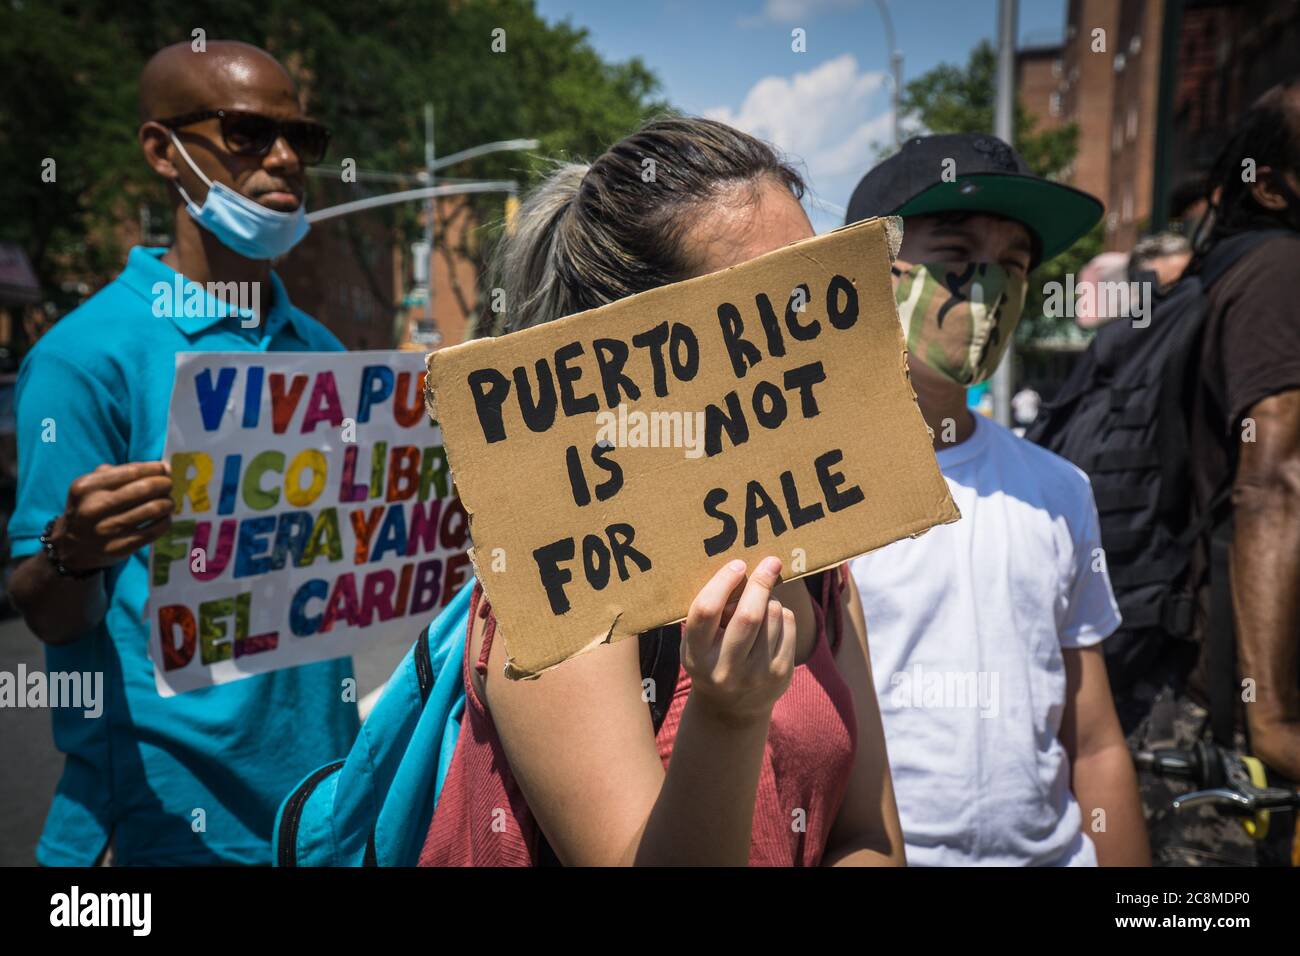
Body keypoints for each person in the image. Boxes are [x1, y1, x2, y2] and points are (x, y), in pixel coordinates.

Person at [421, 116, 904, 867]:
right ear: (633, 346)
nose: (812, 324)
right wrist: (728, 714)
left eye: (815, 282)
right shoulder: (563, 583)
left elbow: (869, 835)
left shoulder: (824, 556)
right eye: (768, 302)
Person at [6, 41, 358, 865]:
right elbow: (46, 609)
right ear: (163, 152)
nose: (281, 159)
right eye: (244, 132)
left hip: (327, 822)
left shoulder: (326, 354)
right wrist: (72, 552)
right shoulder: (82, 356)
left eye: (300, 139)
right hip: (156, 835)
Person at [842, 133, 1149, 866]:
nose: (987, 289)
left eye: (1013, 265)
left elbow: (1095, 737)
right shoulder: (812, 494)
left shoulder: (1058, 490)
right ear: (866, 272)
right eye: (955, 257)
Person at [1135, 77, 1300, 867]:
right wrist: (1269, 717)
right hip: (1239, 729)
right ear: (1267, 185)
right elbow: (1274, 484)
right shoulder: (1278, 275)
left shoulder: (1224, 275)